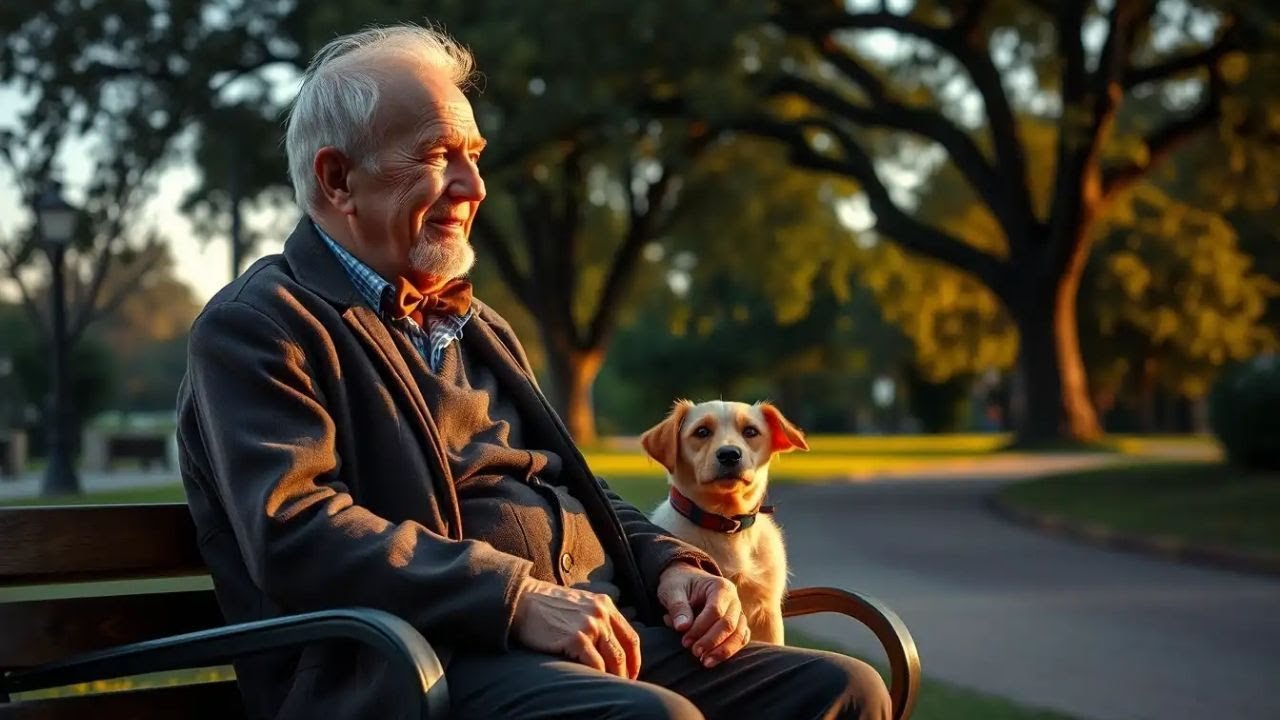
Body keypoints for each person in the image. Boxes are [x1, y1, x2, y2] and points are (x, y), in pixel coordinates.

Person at [176, 23, 891, 720]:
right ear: (338, 179)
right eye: (438, 155)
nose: (474, 185)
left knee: (843, 690)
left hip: (596, 636)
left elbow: (579, 489)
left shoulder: (476, 326)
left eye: (475, 155)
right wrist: (513, 597)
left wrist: (675, 569)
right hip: (417, 666)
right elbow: (295, 529)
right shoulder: (261, 326)